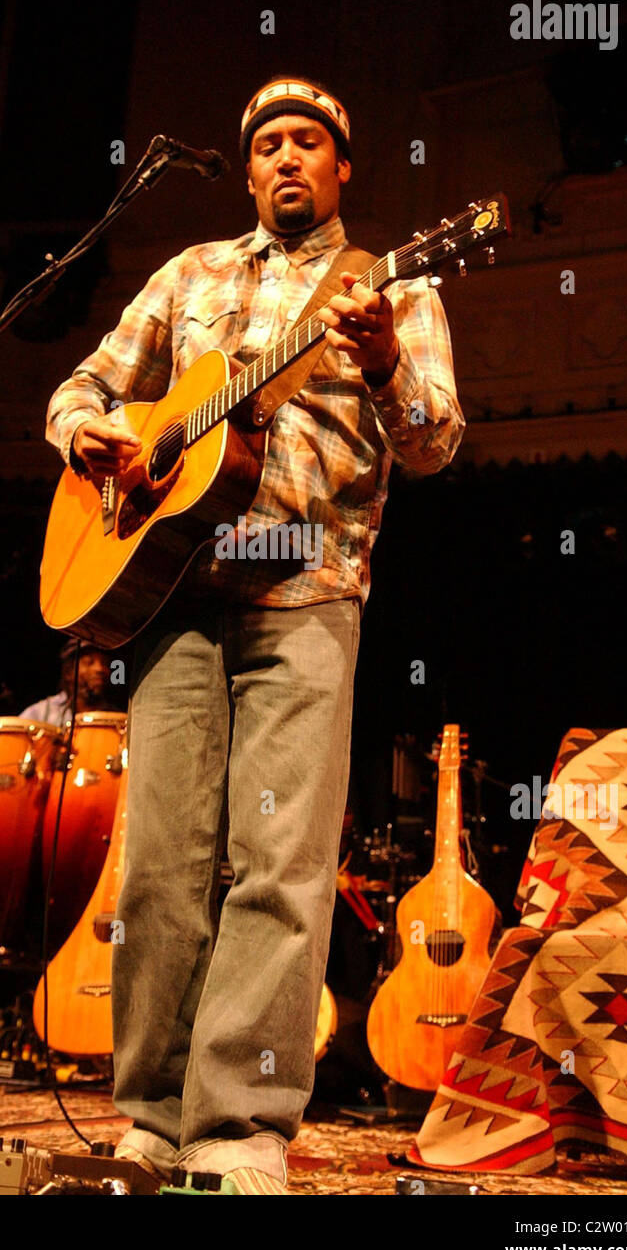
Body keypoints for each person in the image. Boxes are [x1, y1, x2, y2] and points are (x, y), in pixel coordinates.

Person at [44, 77, 465, 1193]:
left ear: (338, 169)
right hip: (174, 596)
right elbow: (80, 387)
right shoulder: (187, 275)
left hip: (310, 591)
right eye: (269, 143)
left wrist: (376, 360)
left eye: (309, 142)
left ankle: (237, 1125)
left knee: (278, 869)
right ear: (248, 170)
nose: (287, 156)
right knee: (159, 873)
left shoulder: (391, 287)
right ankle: (149, 1112)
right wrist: (92, 435)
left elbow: (431, 441)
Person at [19, 642, 110, 727]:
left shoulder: (116, 718)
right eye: (89, 662)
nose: (100, 669)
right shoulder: (41, 712)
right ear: (69, 672)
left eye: (104, 663)